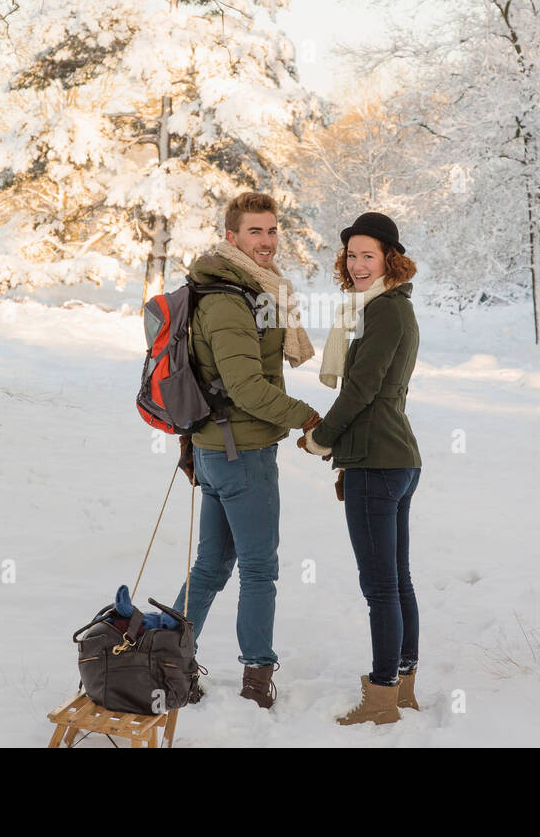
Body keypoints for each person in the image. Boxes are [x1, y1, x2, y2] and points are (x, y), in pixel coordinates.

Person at [173, 191, 321, 709]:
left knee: (211, 565)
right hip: (242, 454)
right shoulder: (229, 299)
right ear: (231, 237)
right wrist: (308, 417)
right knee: (260, 568)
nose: (266, 241)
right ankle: (257, 679)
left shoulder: (231, 288)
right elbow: (244, 387)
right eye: (255, 232)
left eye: (273, 230)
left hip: (215, 452)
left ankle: (169, 661)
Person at [300, 212, 421, 726]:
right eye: (351, 255)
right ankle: (404, 684)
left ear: (389, 258)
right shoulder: (386, 308)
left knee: (382, 588)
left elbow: (361, 390)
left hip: (378, 464)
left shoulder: (384, 312)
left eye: (368, 254)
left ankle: (382, 697)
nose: (357, 264)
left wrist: (321, 439)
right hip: (395, 459)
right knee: (397, 580)